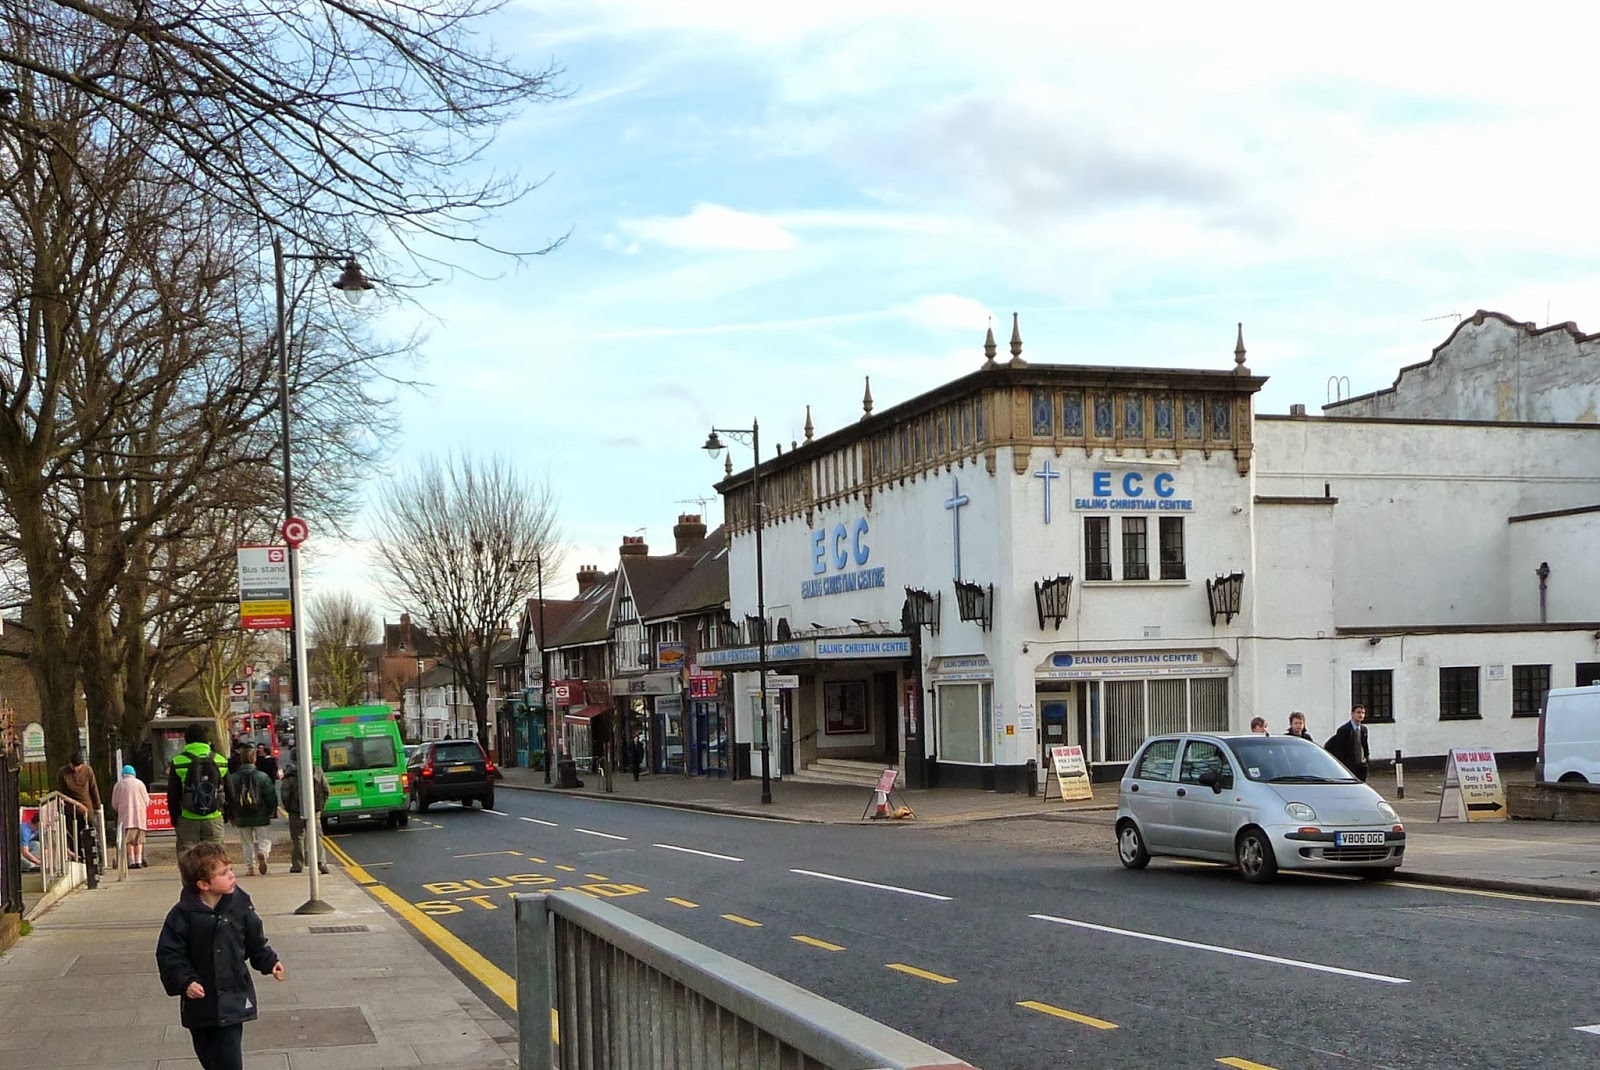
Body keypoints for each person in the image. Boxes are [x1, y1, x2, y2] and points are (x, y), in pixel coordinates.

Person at [156, 842, 286, 1070]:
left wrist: (270, 961)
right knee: (209, 1057)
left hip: (233, 997)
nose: (231, 876)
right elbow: (169, 954)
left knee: (230, 1059)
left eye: (230, 870)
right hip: (200, 1002)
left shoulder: (241, 905)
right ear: (203, 884)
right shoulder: (182, 915)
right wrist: (185, 982)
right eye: (223, 873)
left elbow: (254, 941)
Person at [166, 723, 230, 859]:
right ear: (206, 739)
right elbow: (230, 791)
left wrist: (175, 818)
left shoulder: (178, 761)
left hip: (187, 818)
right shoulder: (220, 760)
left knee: (188, 859)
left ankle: (192, 881)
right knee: (216, 859)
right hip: (214, 817)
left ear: (187, 740)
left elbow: (173, 794)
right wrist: (226, 815)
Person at [224, 745, 278, 877]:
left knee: (246, 842)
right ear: (254, 759)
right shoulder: (262, 777)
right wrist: (272, 810)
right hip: (260, 814)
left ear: (241, 760)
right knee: (264, 839)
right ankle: (263, 853)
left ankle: (251, 867)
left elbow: (228, 798)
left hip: (241, 815)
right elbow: (270, 796)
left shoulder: (232, 778)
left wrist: (230, 815)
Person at [279, 747, 330, 875]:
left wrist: (288, 808)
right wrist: (320, 806)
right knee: (317, 836)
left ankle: (297, 864)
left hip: (295, 811)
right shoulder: (316, 770)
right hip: (314, 809)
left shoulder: (289, 773)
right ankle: (321, 863)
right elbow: (326, 789)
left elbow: (285, 793)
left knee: (297, 838)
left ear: (292, 758)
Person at [56, 748, 102, 882]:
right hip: (71, 811)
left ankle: (97, 864)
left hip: (87, 809)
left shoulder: (88, 771)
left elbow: (94, 788)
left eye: (78, 766)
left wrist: (97, 807)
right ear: (70, 764)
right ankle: (79, 861)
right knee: (74, 838)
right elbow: (59, 792)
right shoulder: (63, 773)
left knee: (93, 836)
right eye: (73, 766)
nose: (76, 769)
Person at [112, 764, 152, 869]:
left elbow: (114, 802)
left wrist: (119, 809)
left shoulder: (119, 785)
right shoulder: (140, 783)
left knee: (128, 841)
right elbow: (147, 800)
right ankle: (138, 860)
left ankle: (131, 861)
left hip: (125, 817)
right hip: (139, 817)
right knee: (139, 841)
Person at [1326, 703, 1371, 781]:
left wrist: (1366, 758)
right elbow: (1339, 749)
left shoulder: (1363, 729)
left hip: (1361, 764)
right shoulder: (1344, 730)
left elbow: (1364, 745)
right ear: (1352, 714)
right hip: (1348, 764)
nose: (1361, 715)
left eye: (1363, 713)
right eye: (1358, 712)